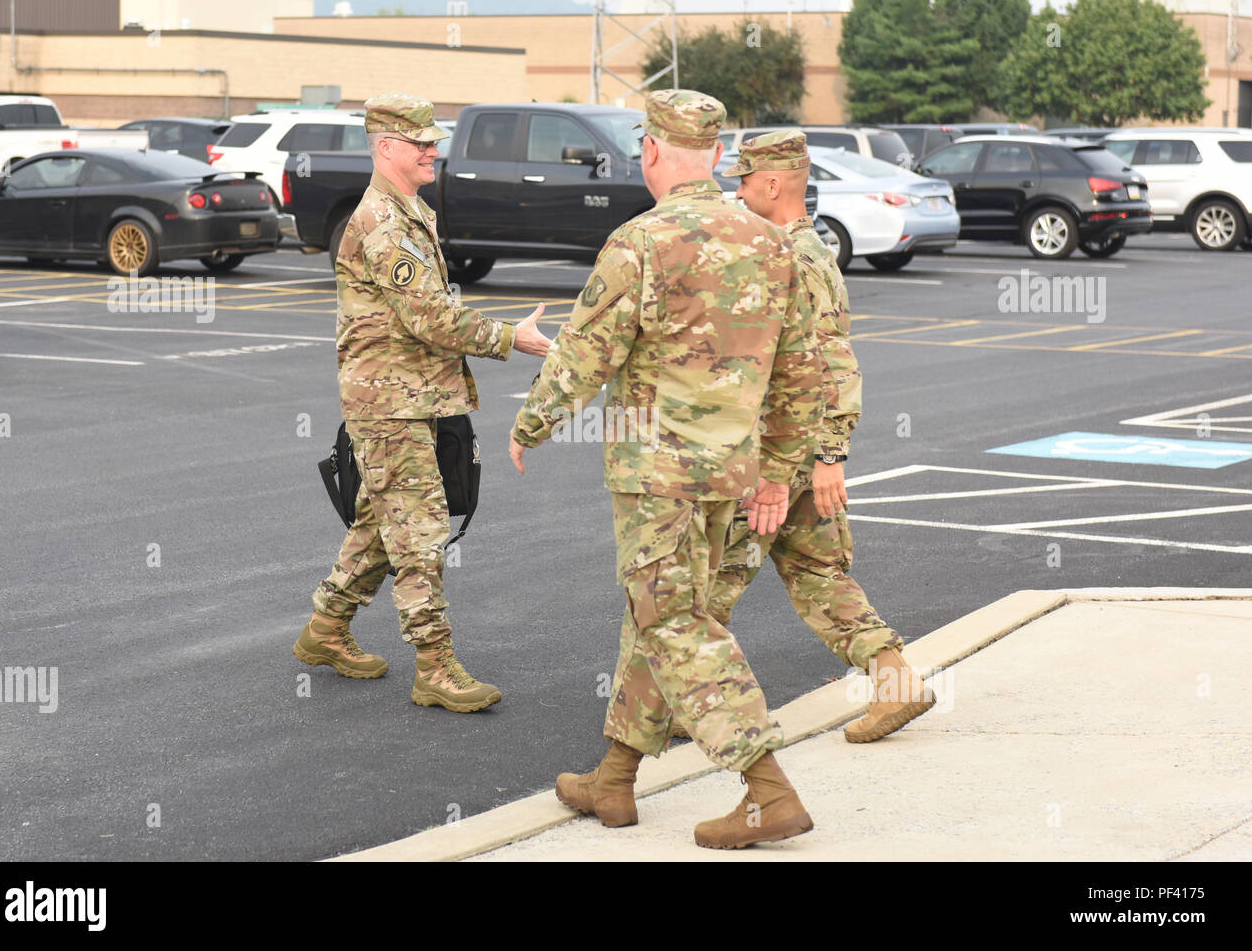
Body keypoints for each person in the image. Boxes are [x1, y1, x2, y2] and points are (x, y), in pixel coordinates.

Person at [509, 90, 825, 849]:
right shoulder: (774, 242)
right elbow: (801, 373)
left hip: (656, 472)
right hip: (732, 472)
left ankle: (766, 786)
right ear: (716, 155)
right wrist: (779, 469)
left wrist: (533, 423)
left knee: (674, 621)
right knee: (658, 617)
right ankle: (613, 779)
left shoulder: (639, 242)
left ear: (650, 150)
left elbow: (585, 351)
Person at [294, 93, 551, 713]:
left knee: (383, 526)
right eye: (421, 143)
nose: (434, 150)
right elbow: (430, 317)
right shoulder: (383, 222)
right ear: (387, 147)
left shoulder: (408, 209)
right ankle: (434, 666)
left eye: (433, 141)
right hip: (389, 403)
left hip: (411, 396)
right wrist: (508, 338)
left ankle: (325, 629)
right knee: (420, 532)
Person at [714, 129, 934, 742]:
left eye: (745, 179)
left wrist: (829, 455)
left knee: (706, 584)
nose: (738, 189)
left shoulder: (794, 257)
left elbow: (832, 362)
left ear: (774, 183)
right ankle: (896, 683)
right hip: (796, 452)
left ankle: (699, 713)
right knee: (816, 572)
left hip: (776, 459)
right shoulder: (800, 249)